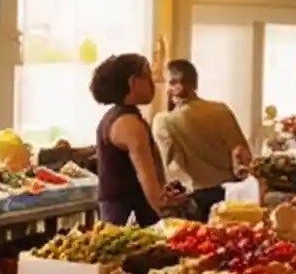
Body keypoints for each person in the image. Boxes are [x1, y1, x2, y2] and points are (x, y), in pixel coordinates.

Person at [152, 59, 252, 220]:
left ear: (172, 86)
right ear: (195, 83)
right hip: (230, 193)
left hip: (196, 196)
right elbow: (241, 153)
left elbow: (172, 166)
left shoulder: (164, 121)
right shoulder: (221, 110)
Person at [89, 53, 175, 226]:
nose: (154, 84)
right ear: (133, 82)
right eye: (148, 76)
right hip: (127, 215)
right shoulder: (129, 124)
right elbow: (146, 178)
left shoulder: (119, 117)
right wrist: (167, 217)